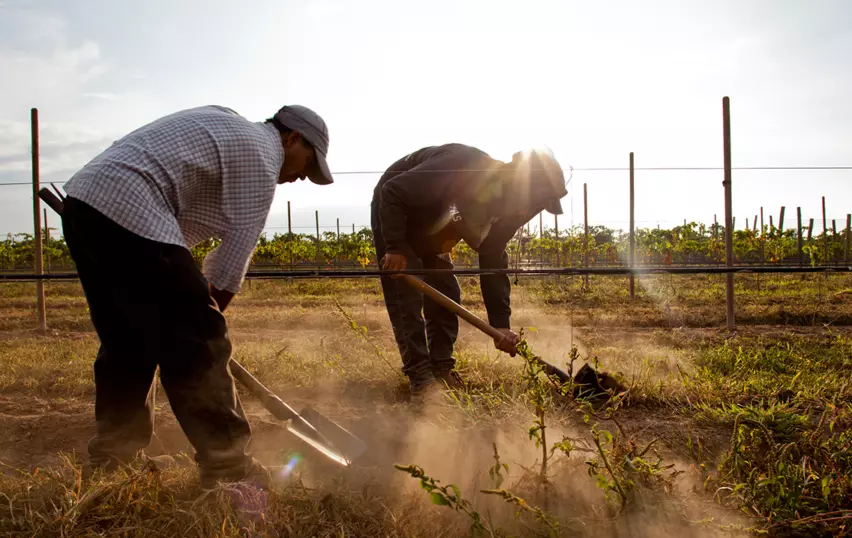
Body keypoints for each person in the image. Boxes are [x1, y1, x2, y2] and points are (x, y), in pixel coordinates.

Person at [60, 104, 333, 489]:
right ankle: (229, 467)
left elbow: (178, 245)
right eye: (308, 163)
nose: (303, 176)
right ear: (292, 139)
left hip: (85, 201)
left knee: (127, 340)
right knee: (198, 340)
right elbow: (231, 261)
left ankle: (112, 460)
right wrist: (204, 322)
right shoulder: (262, 155)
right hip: (129, 203)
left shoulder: (230, 126)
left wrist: (184, 306)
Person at [370, 144, 569, 398]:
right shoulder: (461, 165)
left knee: (445, 290)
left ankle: (441, 369)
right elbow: (393, 192)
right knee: (406, 294)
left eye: (536, 207)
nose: (526, 212)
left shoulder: (510, 213)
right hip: (396, 209)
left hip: (436, 227)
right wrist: (395, 245)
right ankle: (420, 374)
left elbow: (493, 261)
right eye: (532, 202)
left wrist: (501, 325)